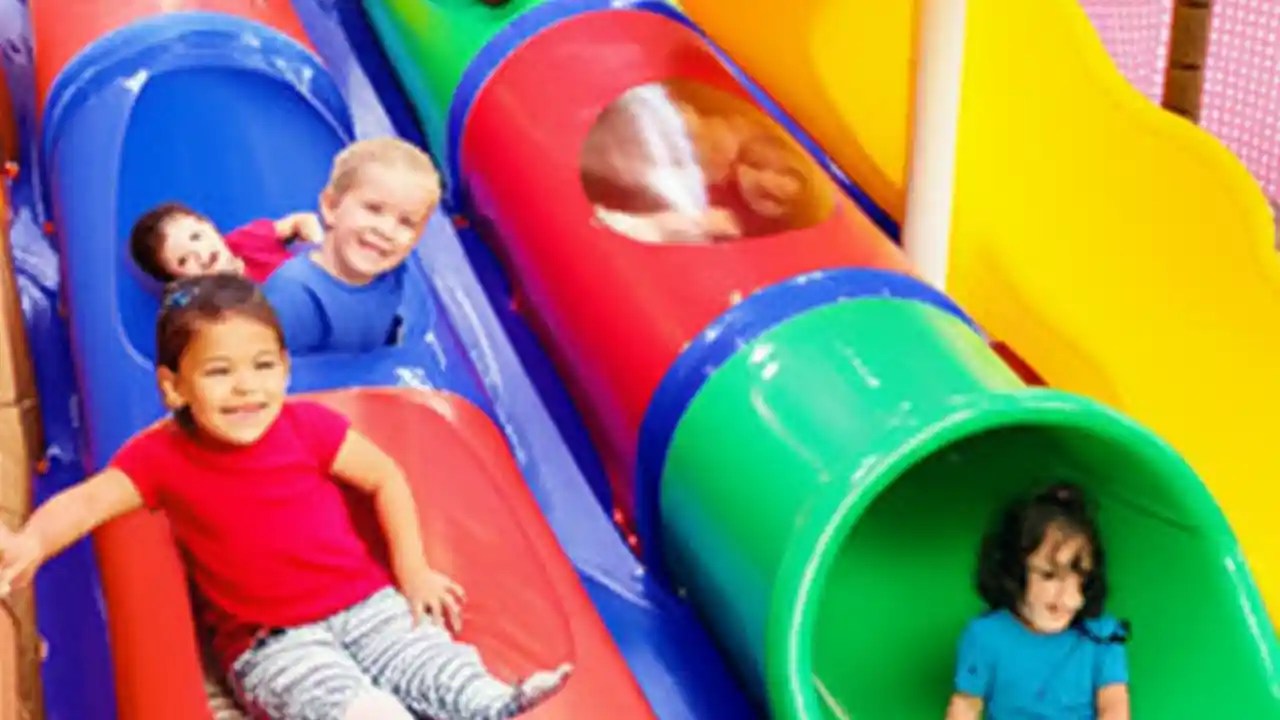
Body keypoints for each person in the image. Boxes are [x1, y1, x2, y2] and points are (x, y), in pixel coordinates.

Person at [0, 274, 571, 719]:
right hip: (269, 642)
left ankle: (483, 703)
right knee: (349, 705)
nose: (247, 387)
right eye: (219, 372)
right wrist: (30, 543)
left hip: (365, 604)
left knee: (431, 659)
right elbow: (86, 502)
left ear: (286, 369)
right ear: (174, 386)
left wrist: (413, 569)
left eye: (263, 366)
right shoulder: (161, 458)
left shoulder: (308, 428)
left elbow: (385, 477)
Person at [946, 484, 1130, 720]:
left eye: (1080, 575)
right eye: (1049, 575)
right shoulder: (985, 636)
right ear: (1012, 571)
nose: (1068, 597)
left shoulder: (1101, 635)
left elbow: (1114, 708)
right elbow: (966, 706)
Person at [261, 137, 441, 355]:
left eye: (406, 223)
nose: (386, 230)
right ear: (332, 206)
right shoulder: (295, 297)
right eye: (373, 209)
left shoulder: (392, 274)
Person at [130, 202, 323, 284]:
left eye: (196, 237)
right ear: (179, 280)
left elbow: (300, 221)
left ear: (209, 225)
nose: (199, 253)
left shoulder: (247, 239)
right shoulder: (212, 305)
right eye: (183, 260)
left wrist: (317, 240)